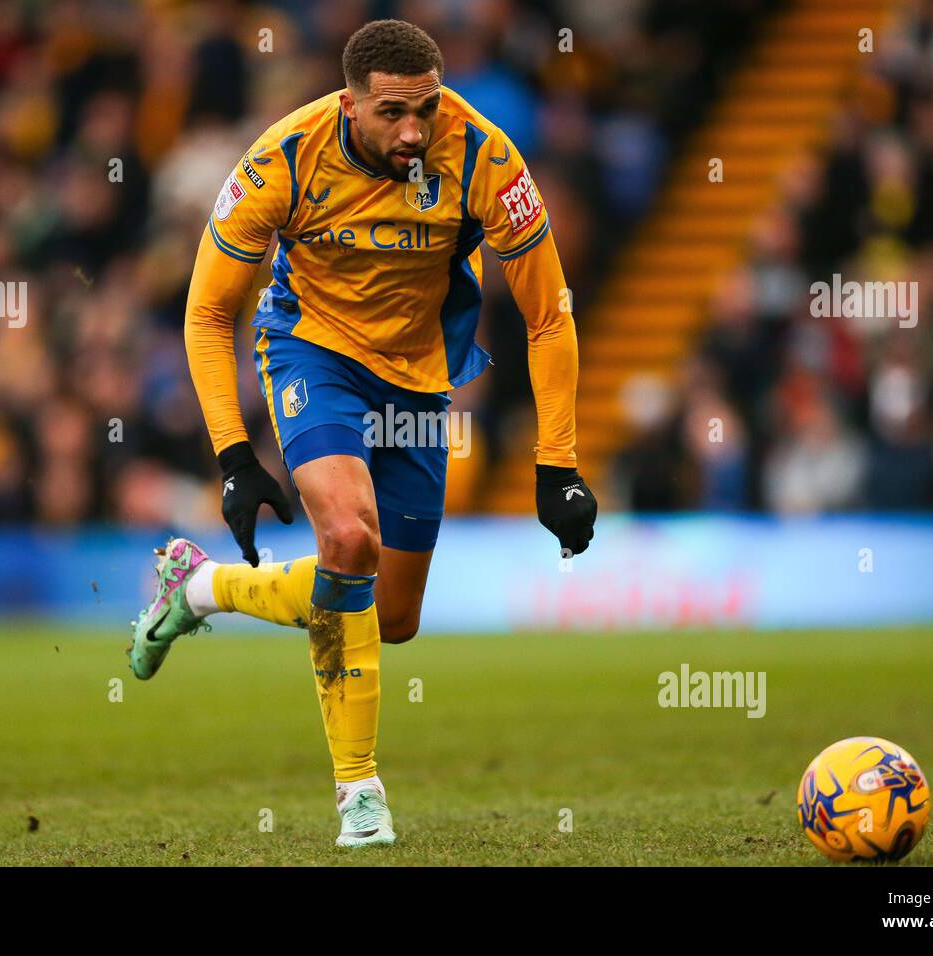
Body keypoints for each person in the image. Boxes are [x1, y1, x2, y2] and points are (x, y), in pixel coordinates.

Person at [128, 19, 596, 847]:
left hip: (420, 376)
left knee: (390, 615)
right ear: (349, 103)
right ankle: (360, 794)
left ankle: (197, 588)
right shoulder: (283, 158)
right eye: (391, 114)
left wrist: (556, 462)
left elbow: (549, 315)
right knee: (347, 539)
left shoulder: (485, 157)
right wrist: (234, 455)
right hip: (315, 355)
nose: (412, 131)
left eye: (424, 109)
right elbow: (206, 312)